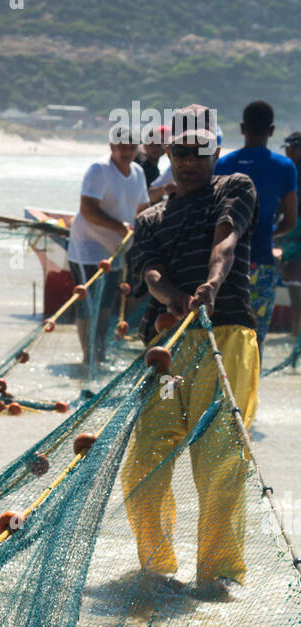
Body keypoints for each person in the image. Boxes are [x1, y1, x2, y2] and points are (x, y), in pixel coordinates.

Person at [121, 106, 260, 601]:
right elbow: (151, 274)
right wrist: (172, 296)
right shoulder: (150, 218)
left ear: (215, 153)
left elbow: (227, 239)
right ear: (169, 155)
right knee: (143, 462)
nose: (189, 161)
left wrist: (211, 284)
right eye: (181, 152)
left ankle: (218, 574)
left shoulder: (234, 187)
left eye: (200, 152)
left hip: (226, 336)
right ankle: (157, 569)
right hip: (169, 347)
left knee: (220, 458)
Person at [215, 101, 297, 348]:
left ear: (242, 128)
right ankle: (250, 386)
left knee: (223, 334)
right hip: (261, 260)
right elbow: (290, 220)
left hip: (224, 263)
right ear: (271, 131)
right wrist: (271, 235)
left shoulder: (223, 164)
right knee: (255, 335)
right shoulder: (284, 167)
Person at [66, 130, 149, 363]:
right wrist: (119, 227)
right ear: (112, 146)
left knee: (105, 306)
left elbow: (142, 209)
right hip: (88, 248)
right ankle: (88, 358)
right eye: (121, 146)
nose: (126, 151)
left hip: (116, 251)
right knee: (88, 304)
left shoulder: (138, 173)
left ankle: (98, 352)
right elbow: (87, 209)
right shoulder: (99, 169)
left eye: (131, 147)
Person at [275, 133, 301, 338]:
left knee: (295, 290)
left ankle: (294, 334)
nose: (288, 153)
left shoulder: (289, 171)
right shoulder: (286, 170)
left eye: (292, 149)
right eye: (287, 149)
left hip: (294, 236)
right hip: (290, 235)